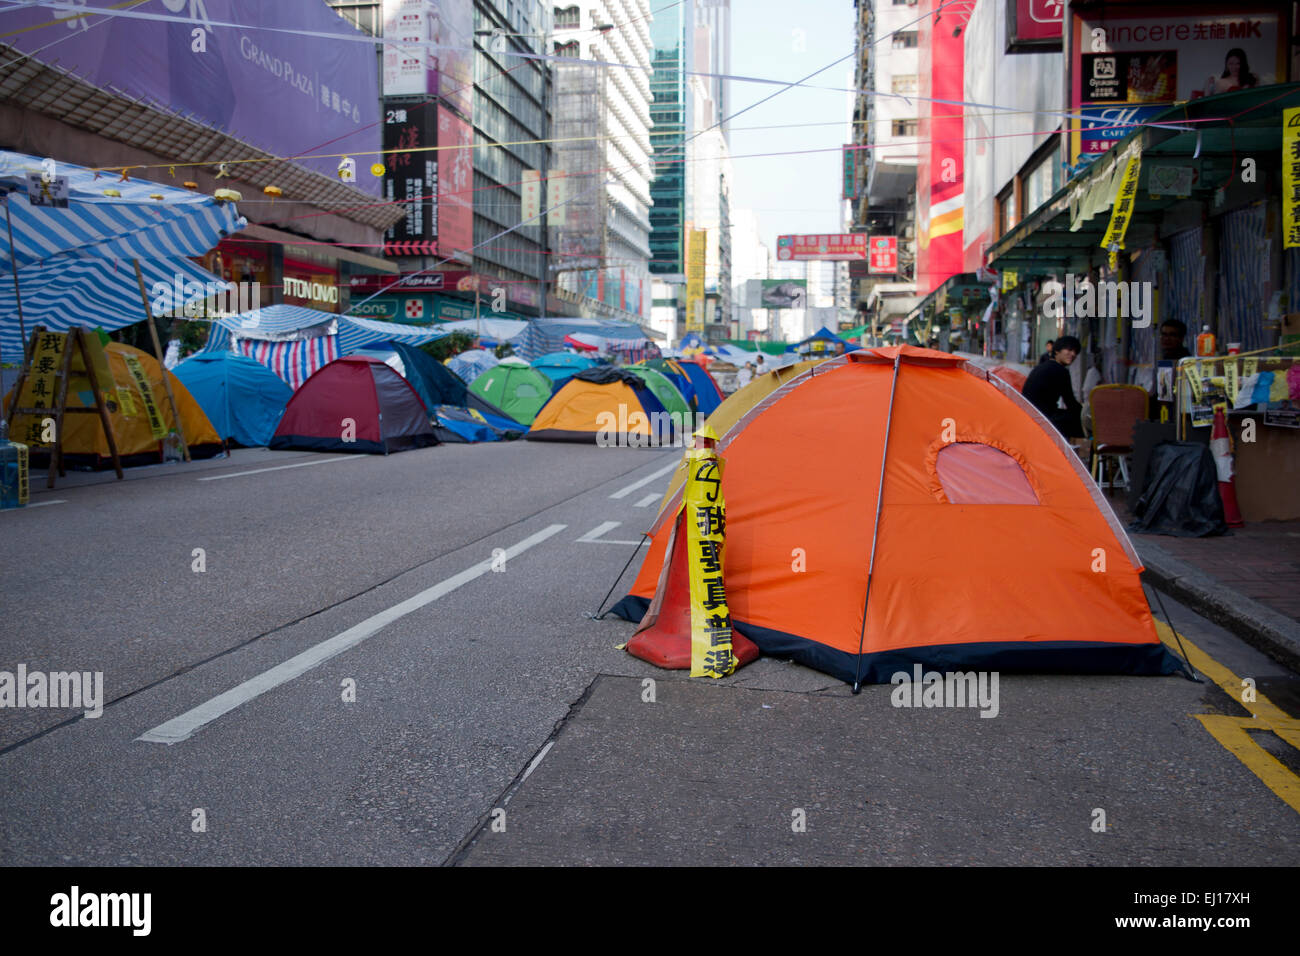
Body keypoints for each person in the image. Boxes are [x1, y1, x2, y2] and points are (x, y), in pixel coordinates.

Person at [1022, 335, 1084, 438]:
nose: (1072, 354)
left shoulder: (1042, 367)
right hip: (1044, 417)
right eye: (1069, 350)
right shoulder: (1061, 371)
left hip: (1030, 414)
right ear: (1057, 351)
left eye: (1075, 352)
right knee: (1077, 420)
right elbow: (1070, 402)